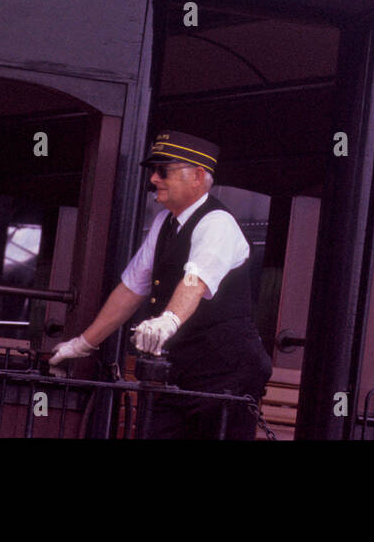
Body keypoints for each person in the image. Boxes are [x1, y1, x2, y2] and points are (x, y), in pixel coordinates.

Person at [49, 130, 272, 439]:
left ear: (196, 176)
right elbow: (131, 288)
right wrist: (84, 343)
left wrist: (168, 320)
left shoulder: (217, 223)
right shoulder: (163, 223)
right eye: (153, 171)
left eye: (163, 171)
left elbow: (194, 280)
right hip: (179, 372)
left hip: (226, 375)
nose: (154, 179)